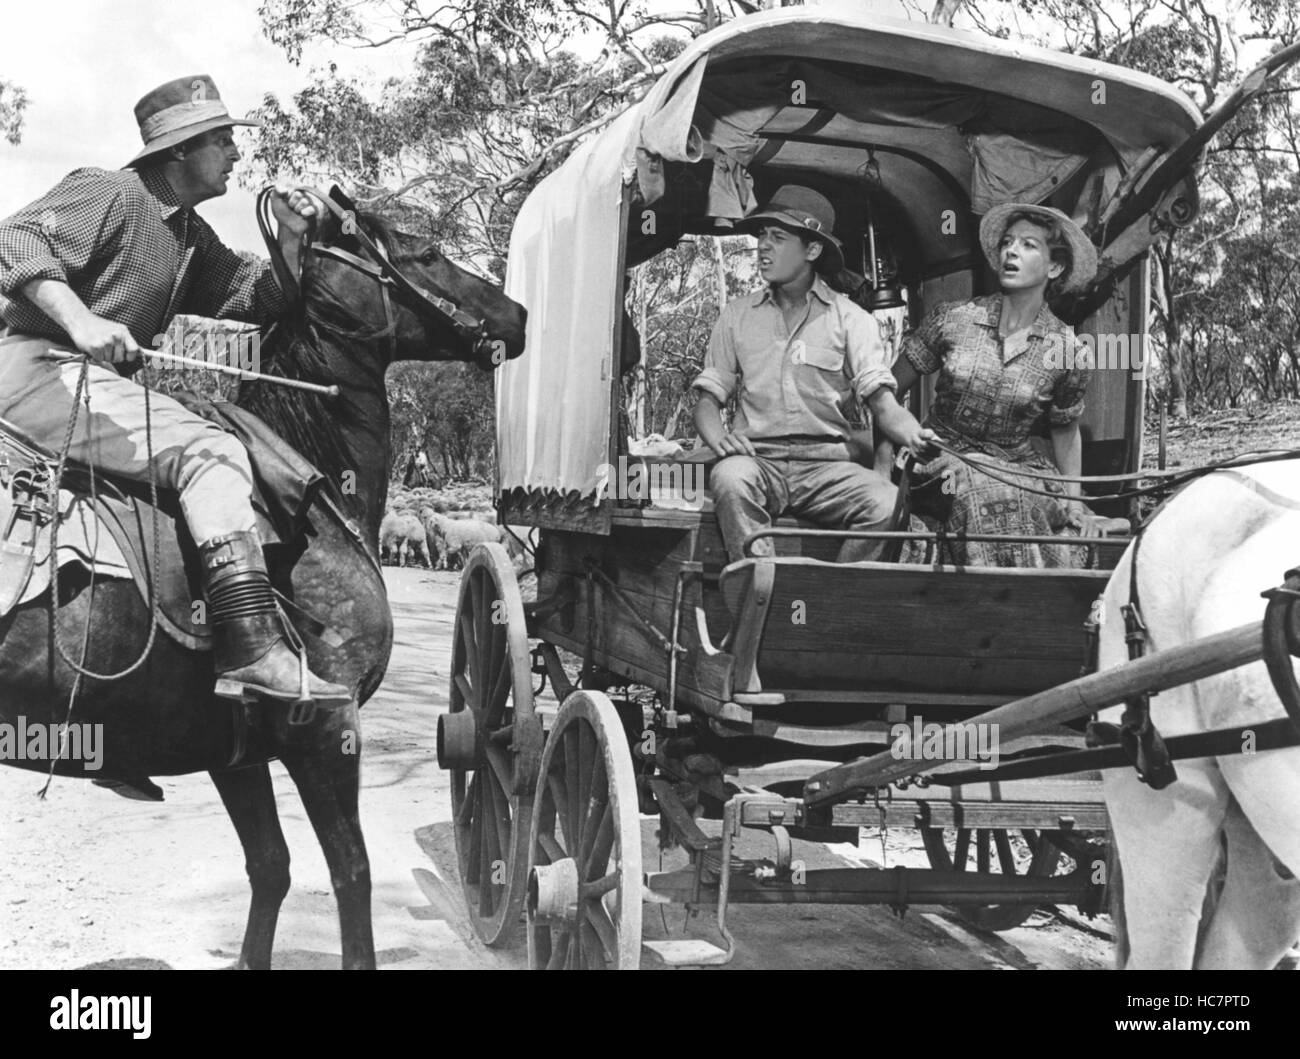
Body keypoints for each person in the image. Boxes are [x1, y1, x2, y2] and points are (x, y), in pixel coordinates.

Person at [0, 74, 351, 709]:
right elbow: (13, 239)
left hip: (87, 383)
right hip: (37, 368)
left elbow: (256, 298)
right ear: (181, 150)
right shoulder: (108, 192)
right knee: (213, 453)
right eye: (222, 141)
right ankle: (252, 652)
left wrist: (294, 239)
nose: (236, 155)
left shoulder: (190, 236)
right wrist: (81, 320)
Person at [692, 185, 936, 564]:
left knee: (888, 503)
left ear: (812, 250)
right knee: (729, 478)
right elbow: (708, 400)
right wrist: (718, 438)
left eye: (778, 237)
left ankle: (829, 602)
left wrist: (915, 435)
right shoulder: (736, 316)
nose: (763, 247)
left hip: (829, 467)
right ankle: (761, 592)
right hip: (759, 462)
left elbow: (884, 407)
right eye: (761, 236)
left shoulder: (851, 319)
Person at [893, 202, 1108, 567]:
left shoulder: (1068, 351)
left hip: (1019, 470)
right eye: (1008, 242)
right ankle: (1010, 607)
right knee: (987, 489)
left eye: (1028, 245)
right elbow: (888, 388)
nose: (1011, 251)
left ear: (1054, 267)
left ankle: (1022, 606)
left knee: (1011, 496)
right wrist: (898, 447)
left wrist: (1074, 501)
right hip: (940, 467)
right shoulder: (953, 318)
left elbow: (1065, 431)